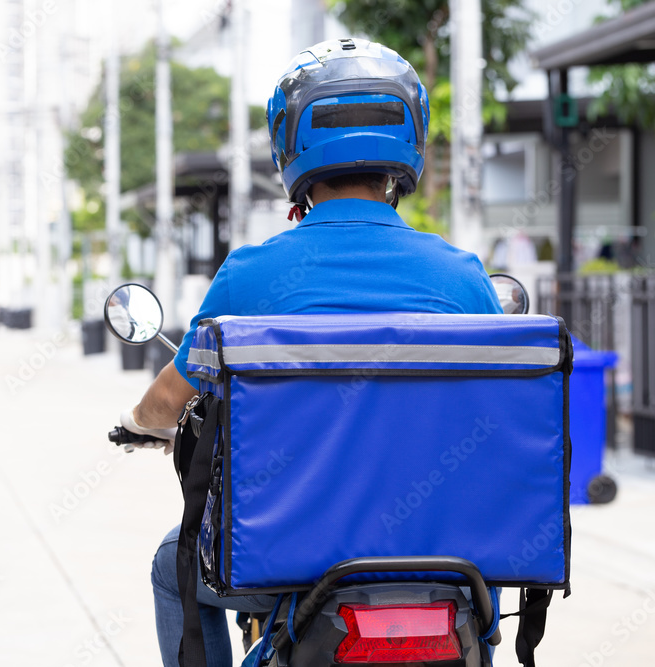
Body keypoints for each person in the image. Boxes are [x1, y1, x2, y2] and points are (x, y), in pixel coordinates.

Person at [118, 39, 503, 667]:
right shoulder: (461, 275)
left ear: (289, 146)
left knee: (172, 564)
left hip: (290, 551)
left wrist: (139, 424)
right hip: (449, 554)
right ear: (409, 144)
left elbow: (168, 398)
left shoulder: (253, 274)